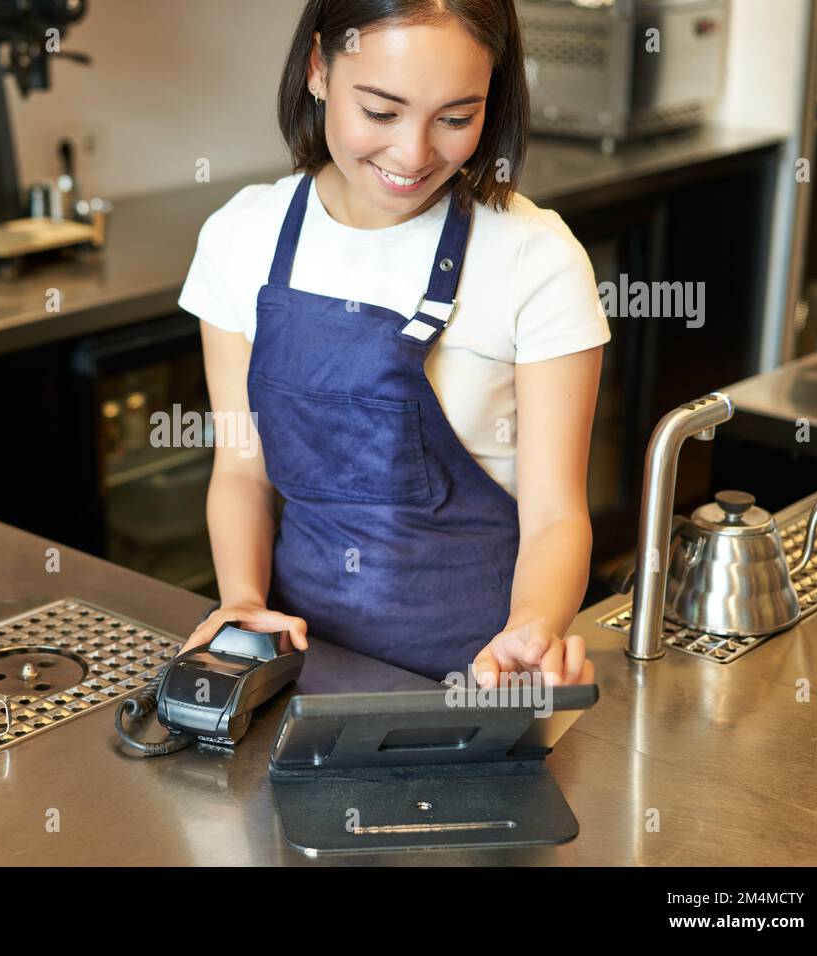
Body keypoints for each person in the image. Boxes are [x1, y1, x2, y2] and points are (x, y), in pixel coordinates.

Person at [177, 0, 606, 687]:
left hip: (478, 680)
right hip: (301, 673)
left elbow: (556, 515)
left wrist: (534, 628)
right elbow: (241, 471)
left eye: (456, 118)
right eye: (381, 112)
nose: (413, 154)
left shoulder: (536, 256)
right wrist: (242, 604)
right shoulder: (240, 237)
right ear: (319, 68)